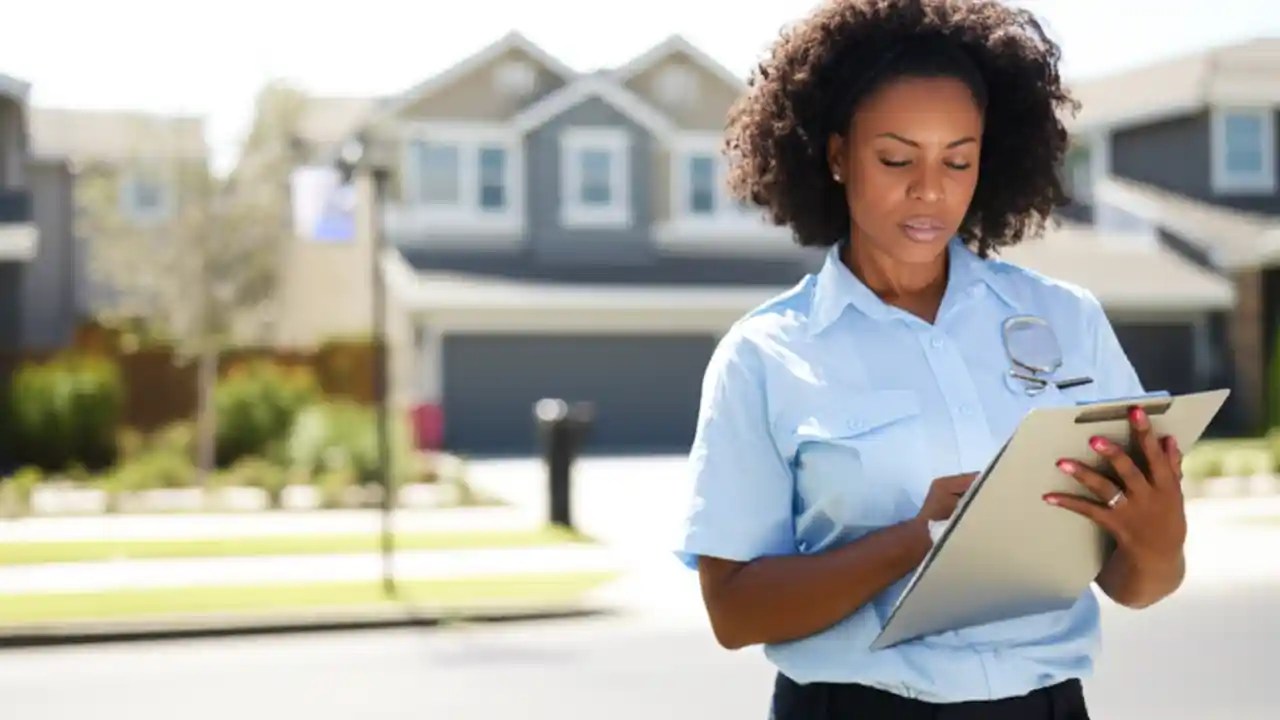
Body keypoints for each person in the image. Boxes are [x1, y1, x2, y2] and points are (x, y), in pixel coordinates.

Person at [674, 1, 1190, 718]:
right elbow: (734, 613)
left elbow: (1140, 584)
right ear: (834, 155)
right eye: (895, 158)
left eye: (958, 159)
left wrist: (1160, 539)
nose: (929, 188)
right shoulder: (766, 355)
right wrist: (916, 540)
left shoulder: (1069, 320)